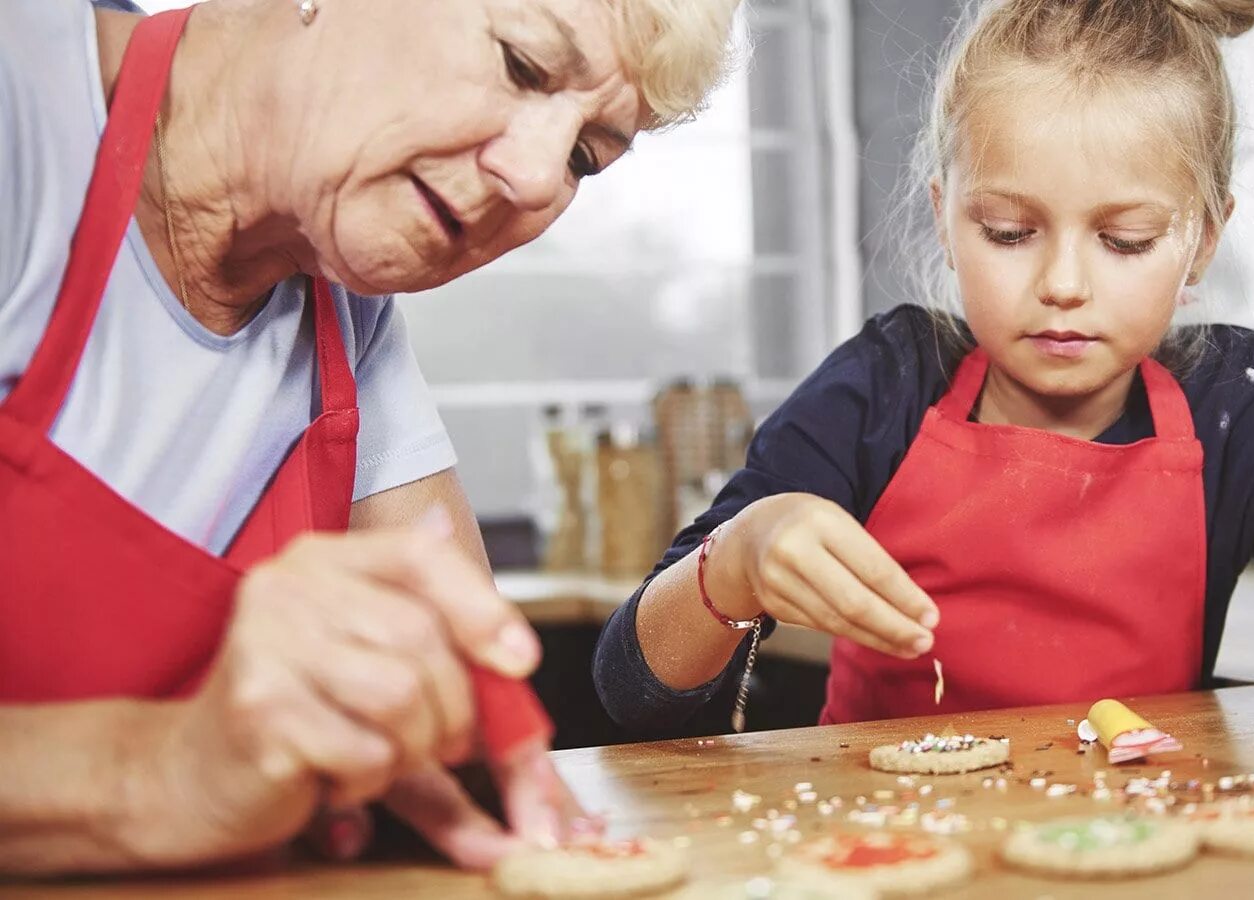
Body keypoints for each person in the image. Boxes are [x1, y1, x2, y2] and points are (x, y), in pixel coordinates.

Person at [593, 0, 1254, 782]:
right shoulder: (884, 386)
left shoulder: (1231, 400)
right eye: (1008, 231)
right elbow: (632, 692)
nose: (1063, 284)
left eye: (1123, 240)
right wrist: (737, 563)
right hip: (884, 848)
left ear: (1202, 237)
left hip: (1137, 841)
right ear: (945, 219)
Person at [0, 0, 739, 874]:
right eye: (522, 63)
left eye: (585, 156)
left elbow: (470, 711)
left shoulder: (346, 316)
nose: (540, 181)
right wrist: (162, 771)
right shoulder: (21, 101)